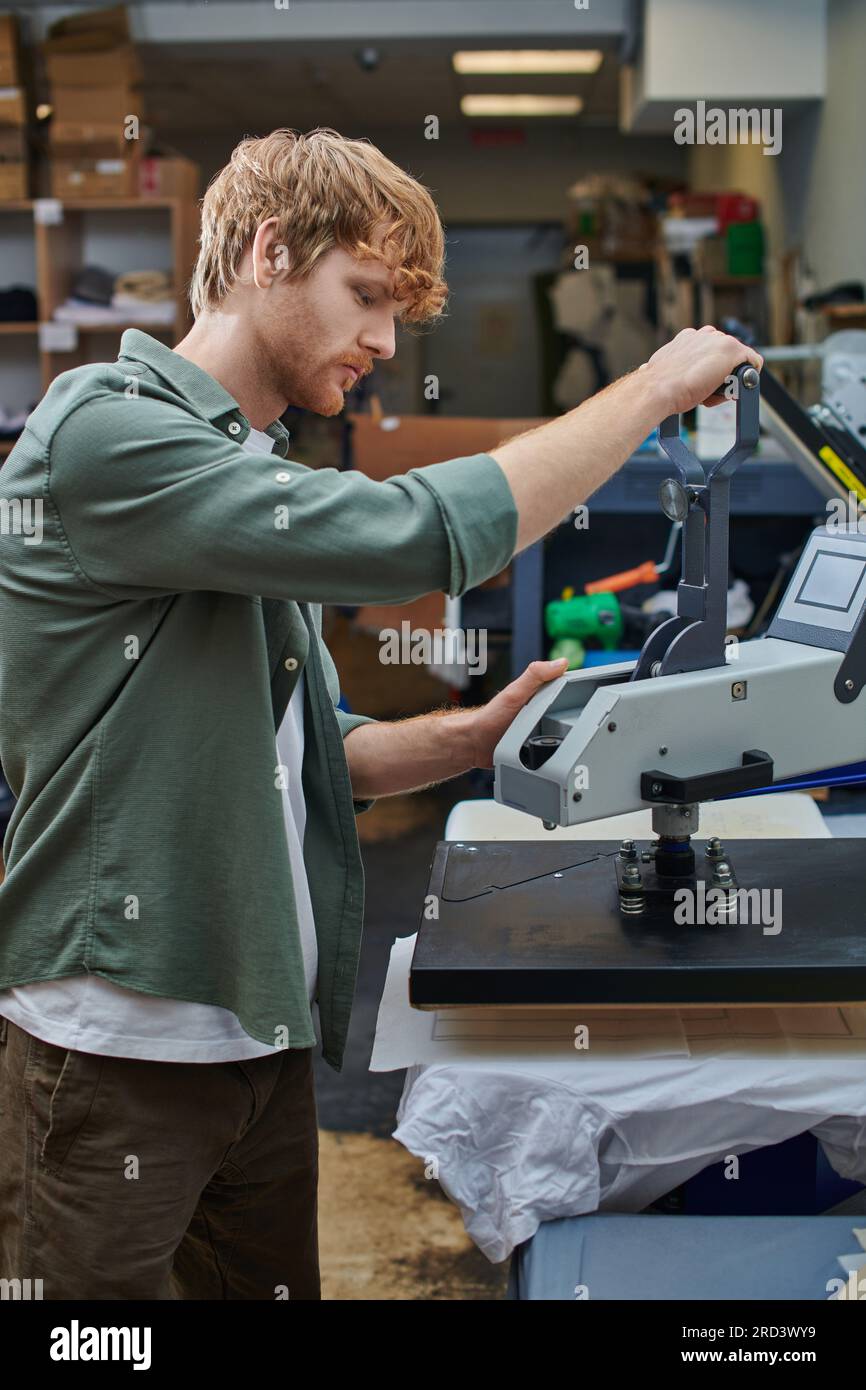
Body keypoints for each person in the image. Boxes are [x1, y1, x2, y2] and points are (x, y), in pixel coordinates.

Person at [0, 127, 762, 1300]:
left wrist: (468, 739)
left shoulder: (235, 467)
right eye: (363, 295)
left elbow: (321, 749)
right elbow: (411, 535)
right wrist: (653, 389)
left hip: (261, 1033)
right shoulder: (106, 433)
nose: (382, 342)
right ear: (266, 252)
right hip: (118, 1050)